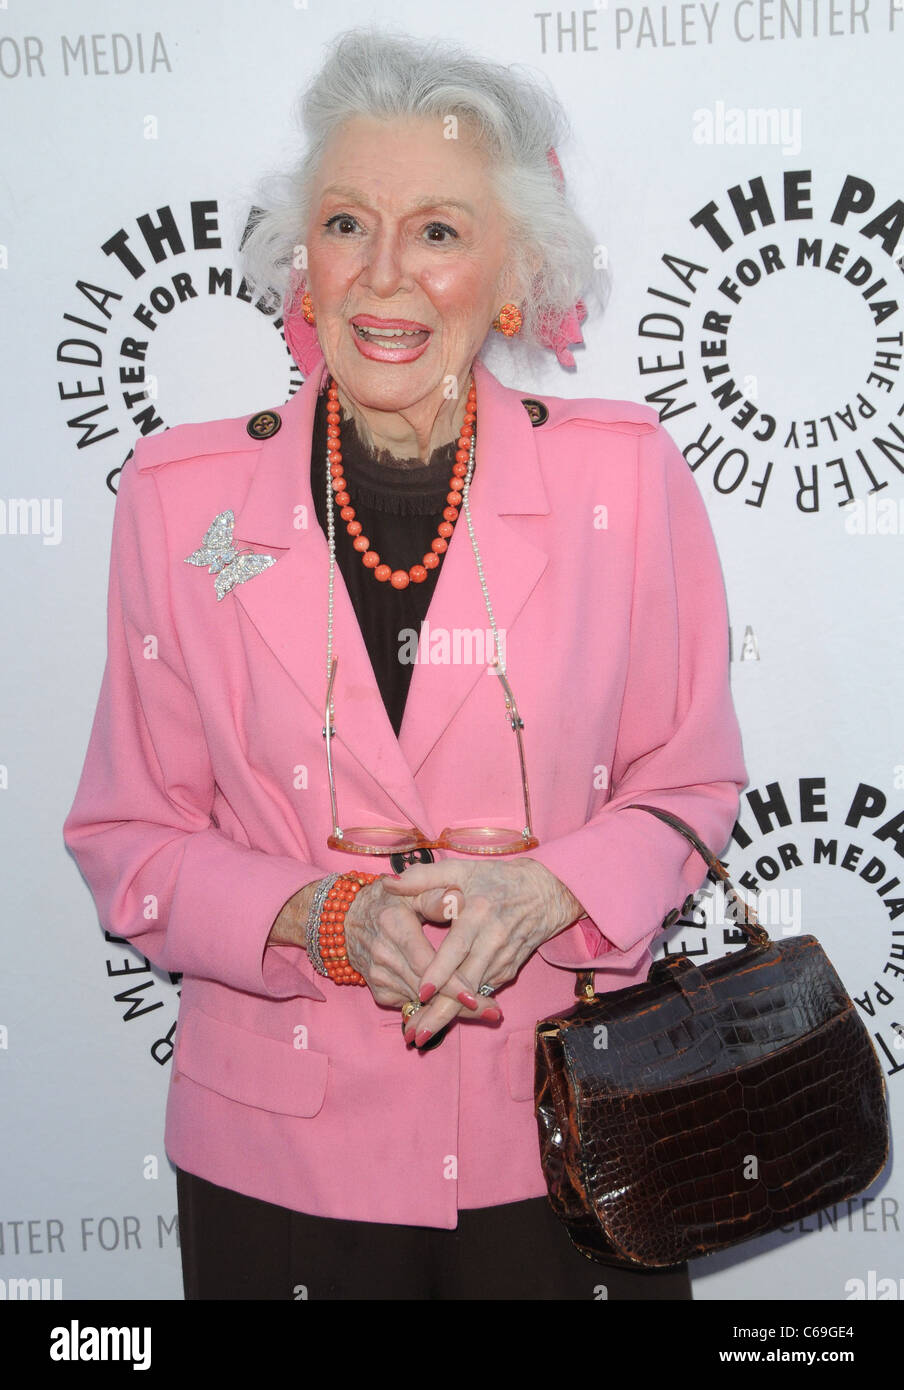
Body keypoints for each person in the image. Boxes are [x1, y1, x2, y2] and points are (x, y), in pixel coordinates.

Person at [63, 26, 747, 1301]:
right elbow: (127, 838)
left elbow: (691, 783)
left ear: (511, 271)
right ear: (302, 265)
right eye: (345, 225)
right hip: (276, 1167)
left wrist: (548, 892)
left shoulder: (626, 476)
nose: (384, 276)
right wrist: (325, 920)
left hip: (572, 1142)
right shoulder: (175, 497)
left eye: (437, 230)